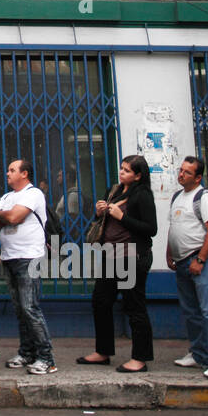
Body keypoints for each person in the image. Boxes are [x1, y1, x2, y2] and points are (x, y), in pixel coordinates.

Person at [78, 154, 156, 372]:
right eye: (121, 168)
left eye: (127, 170)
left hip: (132, 256)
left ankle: (140, 358)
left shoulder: (142, 195)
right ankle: (102, 351)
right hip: (110, 256)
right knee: (101, 301)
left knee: (134, 306)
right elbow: (101, 223)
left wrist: (122, 217)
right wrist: (99, 212)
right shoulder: (114, 191)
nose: (122, 173)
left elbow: (151, 229)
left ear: (138, 175)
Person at [165, 156, 208, 380]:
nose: (181, 174)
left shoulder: (205, 197)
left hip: (200, 261)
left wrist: (200, 260)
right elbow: (174, 226)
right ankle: (199, 353)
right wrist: (169, 253)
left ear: (198, 177)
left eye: (187, 172)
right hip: (182, 261)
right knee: (191, 311)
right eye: (180, 170)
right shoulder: (177, 197)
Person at [0, 158, 57, 375]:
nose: (8, 173)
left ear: (25, 174)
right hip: (9, 256)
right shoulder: (7, 196)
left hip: (29, 257)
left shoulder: (34, 193)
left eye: (12, 170)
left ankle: (46, 358)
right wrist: (6, 217)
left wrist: (6, 216)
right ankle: (27, 352)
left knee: (30, 307)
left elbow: (12, 216)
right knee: (20, 309)